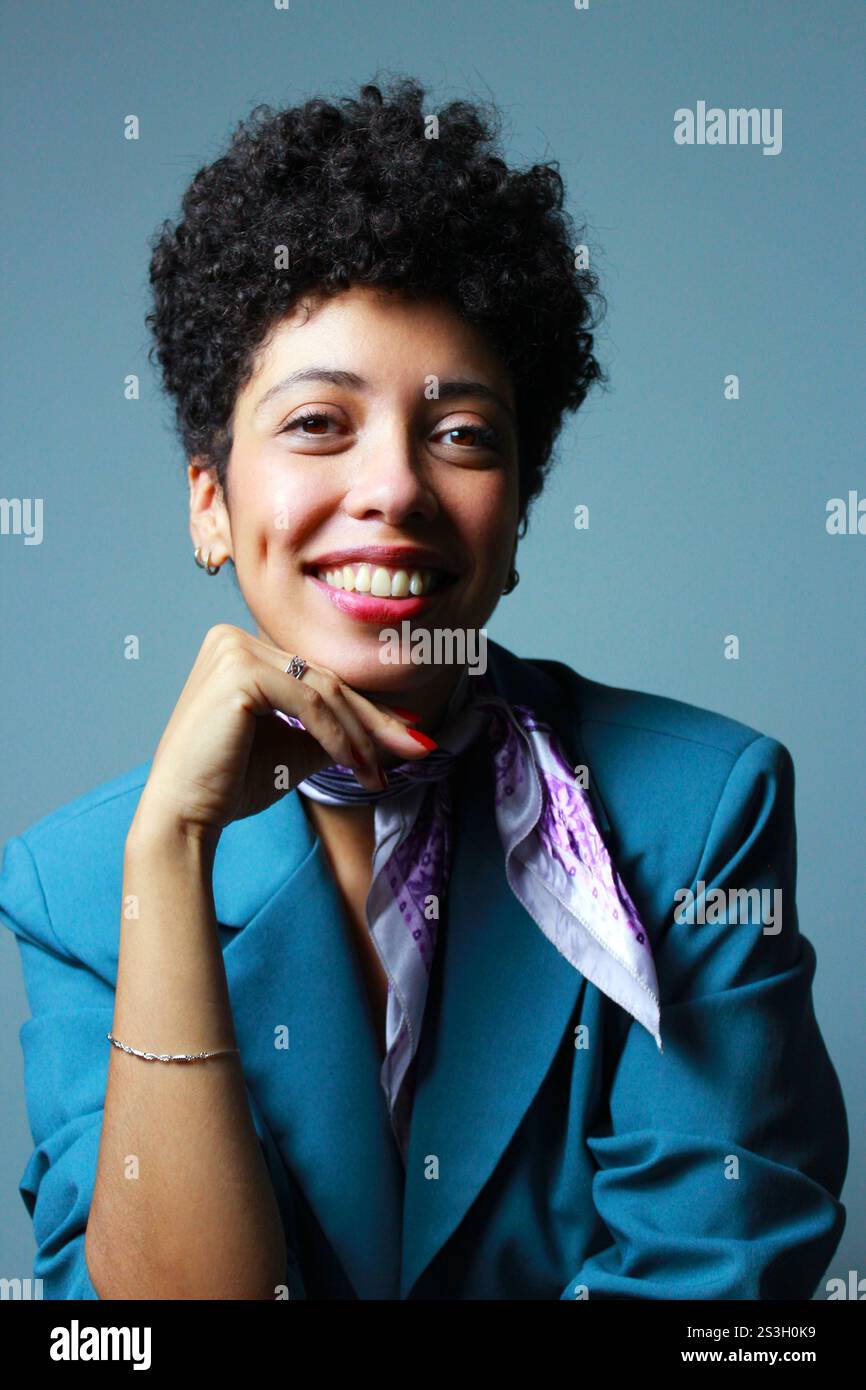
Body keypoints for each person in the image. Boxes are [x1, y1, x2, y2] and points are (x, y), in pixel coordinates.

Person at [0, 77, 848, 1301]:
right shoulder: (77, 892)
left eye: (460, 435)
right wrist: (168, 858)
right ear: (209, 505)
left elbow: (717, 1286)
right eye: (316, 423)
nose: (393, 486)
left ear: (512, 524)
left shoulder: (700, 814)